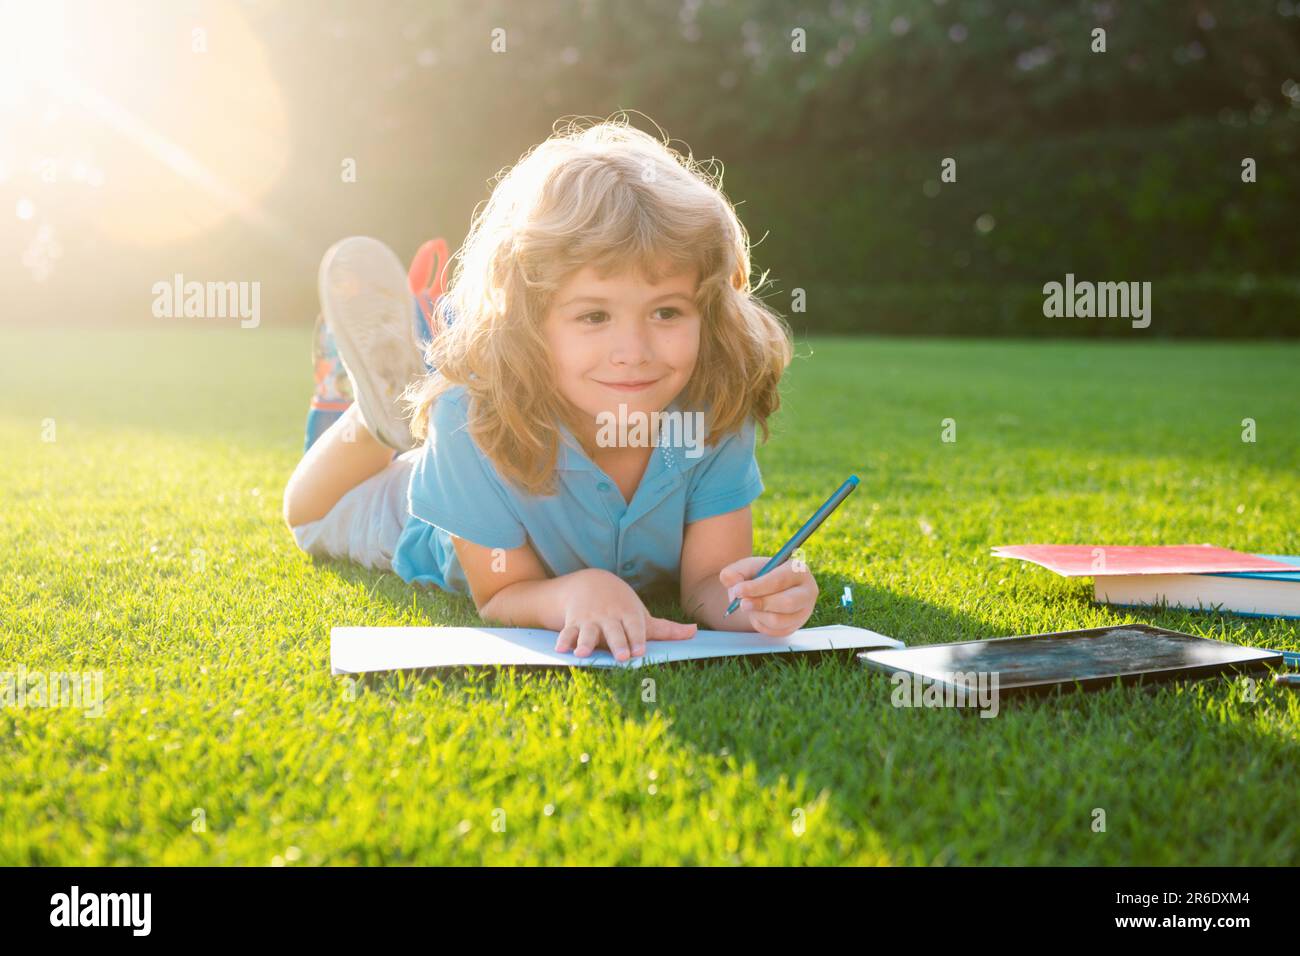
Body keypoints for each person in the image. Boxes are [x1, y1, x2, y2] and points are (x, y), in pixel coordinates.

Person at [282, 116, 818, 661]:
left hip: (460, 439)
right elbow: (501, 592)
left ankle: (409, 381)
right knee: (310, 513)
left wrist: (754, 601)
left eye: (666, 311)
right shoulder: (470, 422)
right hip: (422, 515)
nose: (633, 349)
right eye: (593, 316)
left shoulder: (712, 411)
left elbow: (706, 581)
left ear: (708, 312)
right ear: (528, 322)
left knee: (428, 411)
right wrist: (572, 591)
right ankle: (380, 412)